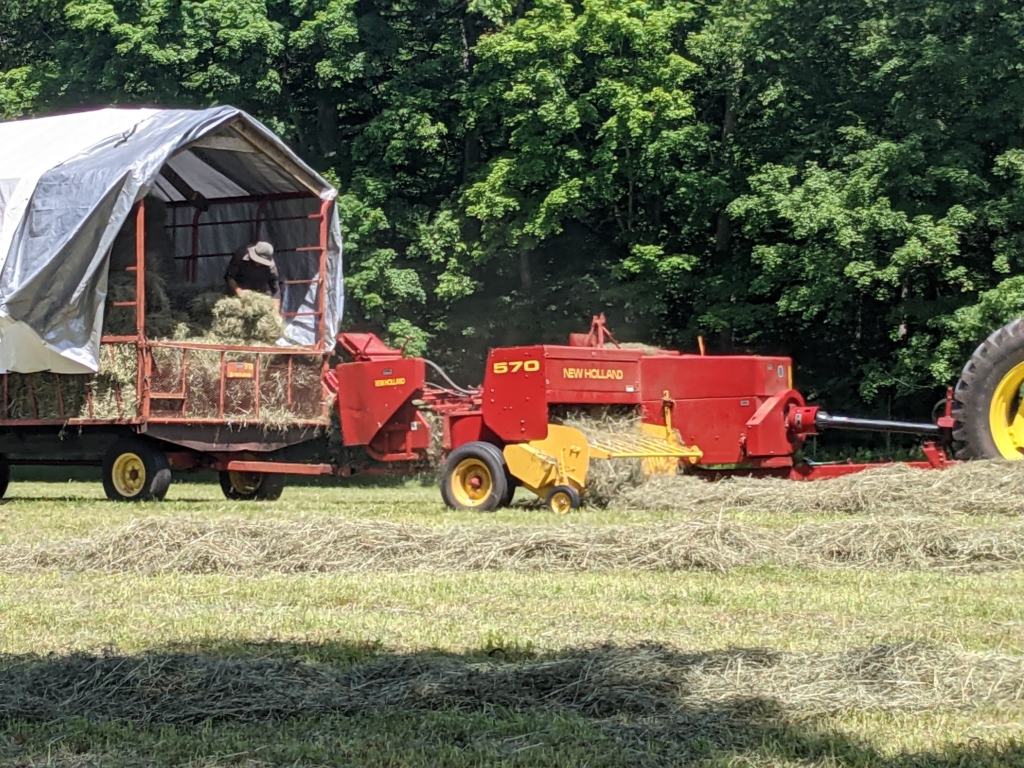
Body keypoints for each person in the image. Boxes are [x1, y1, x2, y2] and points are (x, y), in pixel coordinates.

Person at [225, 240, 281, 312]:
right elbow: (229, 276)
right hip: (237, 293)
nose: (258, 263)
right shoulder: (241, 255)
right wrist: (239, 291)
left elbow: (275, 290)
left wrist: (275, 310)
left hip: (260, 295)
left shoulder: (271, 267)